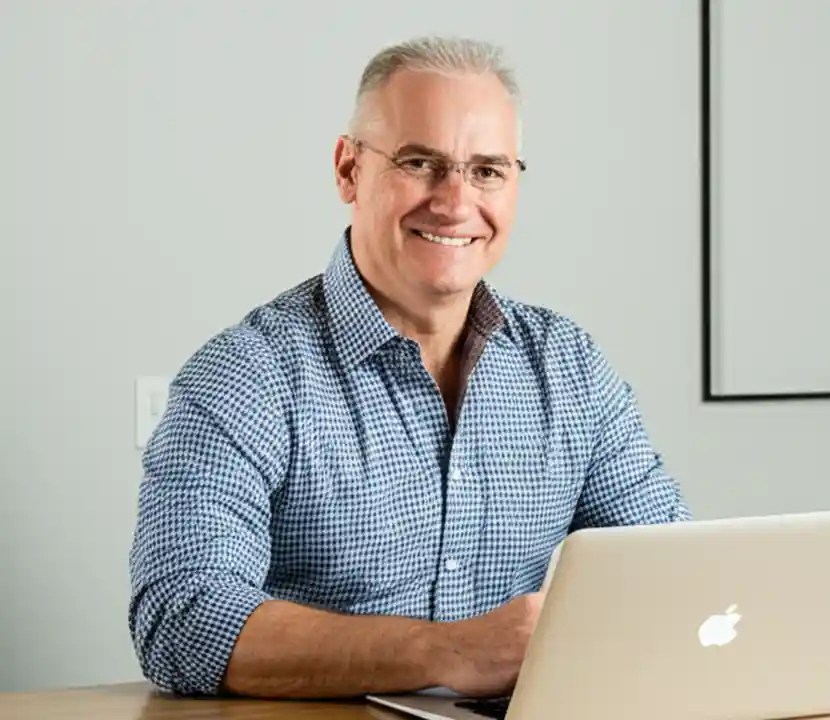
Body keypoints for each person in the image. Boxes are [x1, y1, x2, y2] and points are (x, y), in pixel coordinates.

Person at [127, 36, 691, 701]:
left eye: (487, 170)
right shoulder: (246, 377)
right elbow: (181, 618)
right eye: (421, 162)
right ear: (348, 171)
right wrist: (448, 653)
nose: (455, 202)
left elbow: (669, 576)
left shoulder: (571, 371)